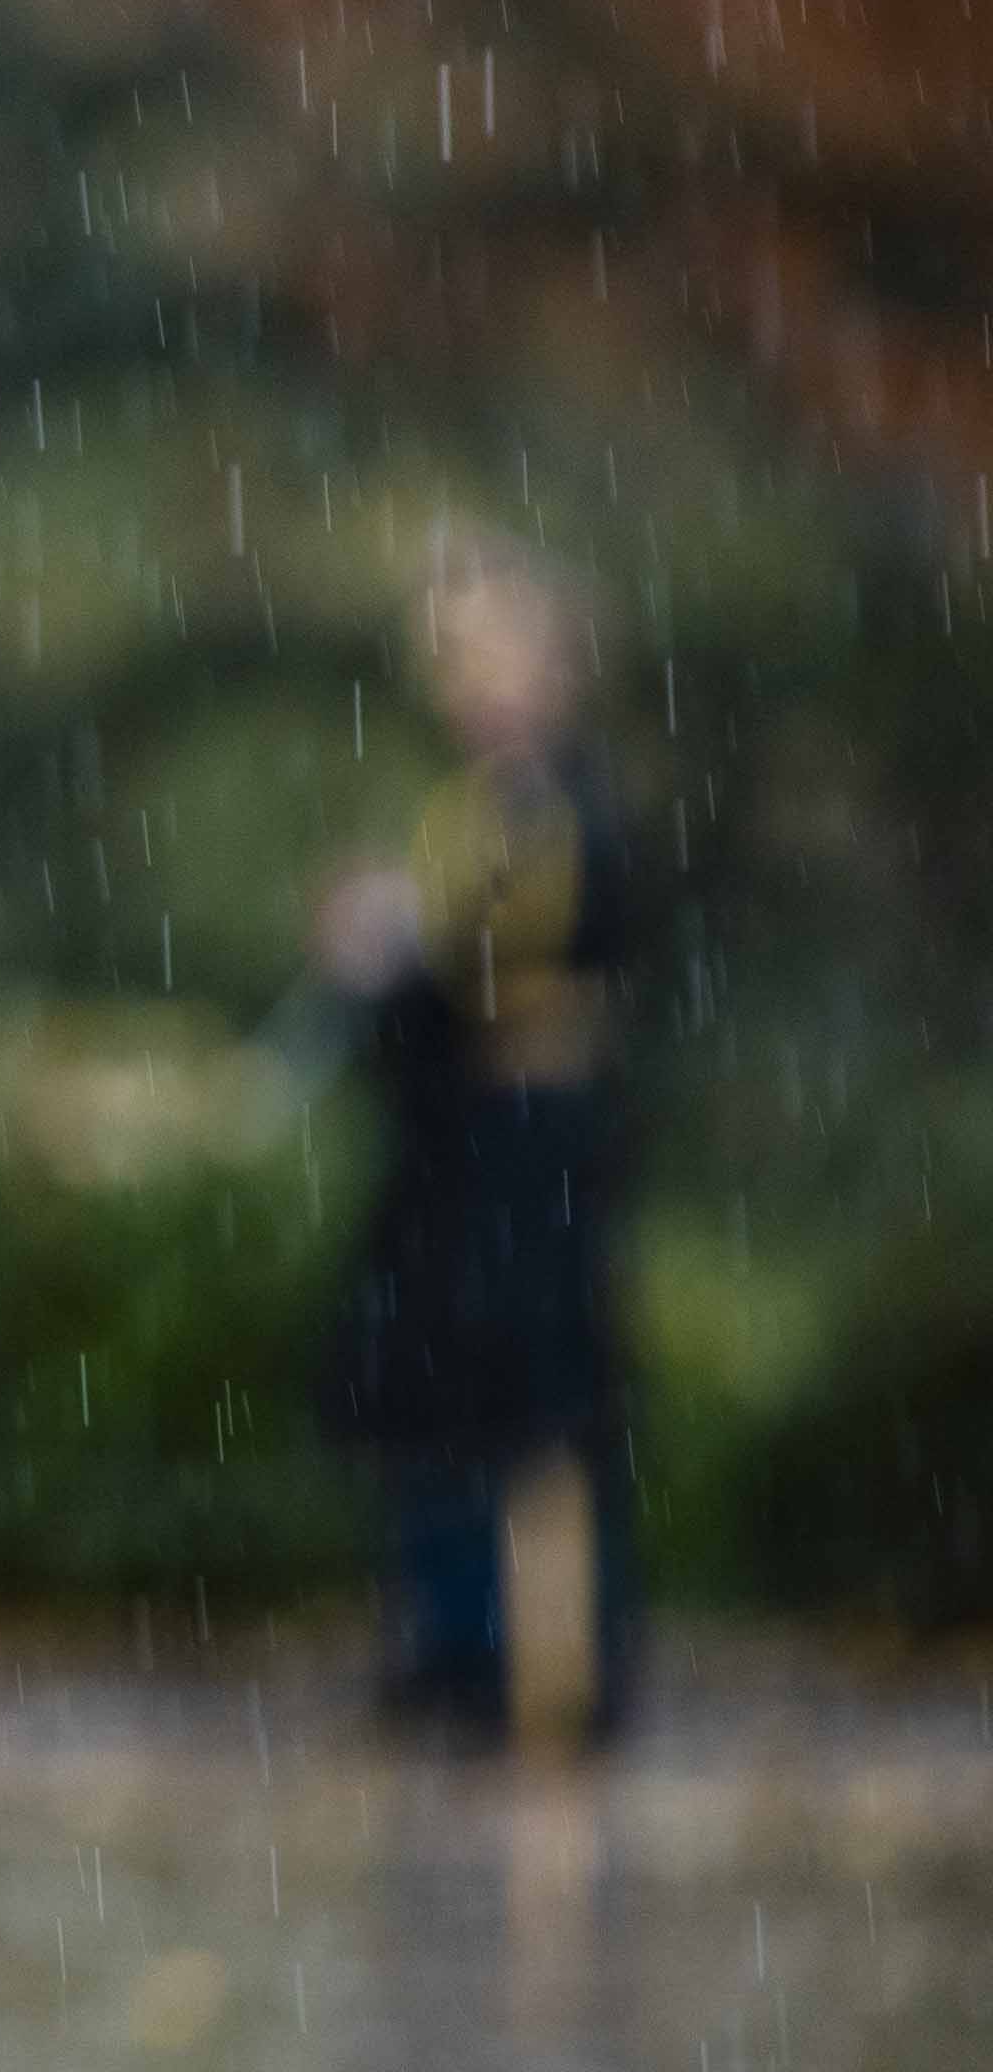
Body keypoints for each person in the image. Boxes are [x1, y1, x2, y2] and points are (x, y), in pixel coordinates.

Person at [305, 531, 644, 1750]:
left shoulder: (550, 809)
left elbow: (483, 962)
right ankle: (458, 1651)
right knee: (444, 1401)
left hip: (521, 1145)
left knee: (537, 1407)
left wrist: (395, 948)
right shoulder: (481, 806)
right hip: (462, 1149)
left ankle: (544, 1670)